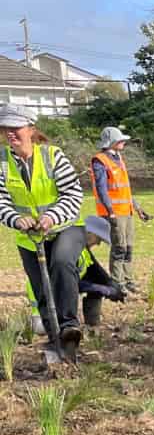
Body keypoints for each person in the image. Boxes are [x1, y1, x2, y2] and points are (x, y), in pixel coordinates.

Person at [0, 103, 85, 340]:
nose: (10, 133)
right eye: (5, 128)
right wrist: (16, 219)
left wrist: (51, 216)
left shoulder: (52, 156)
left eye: (16, 127)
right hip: (28, 237)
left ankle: (69, 325)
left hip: (64, 228)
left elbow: (73, 193)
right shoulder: (2, 162)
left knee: (61, 262)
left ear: (31, 129)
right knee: (40, 287)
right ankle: (54, 337)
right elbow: (1, 200)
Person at [90, 125, 150, 293]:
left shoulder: (119, 158)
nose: (124, 141)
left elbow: (125, 189)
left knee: (128, 247)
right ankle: (117, 282)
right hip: (114, 213)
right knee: (119, 247)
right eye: (120, 139)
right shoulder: (100, 160)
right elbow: (102, 189)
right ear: (111, 142)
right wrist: (110, 211)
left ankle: (129, 280)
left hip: (127, 211)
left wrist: (138, 208)